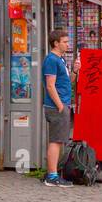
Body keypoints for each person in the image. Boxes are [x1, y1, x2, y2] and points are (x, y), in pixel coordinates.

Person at [42, 28, 79, 187]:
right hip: (57, 106)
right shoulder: (51, 60)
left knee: (59, 140)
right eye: (64, 42)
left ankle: (53, 173)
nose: (67, 44)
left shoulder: (61, 60)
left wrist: (75, 71)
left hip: (63, 103)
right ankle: (52, 176)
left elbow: (66, 81)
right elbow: (50, 86)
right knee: (56, 141)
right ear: (56, 43)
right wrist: (60, 106)